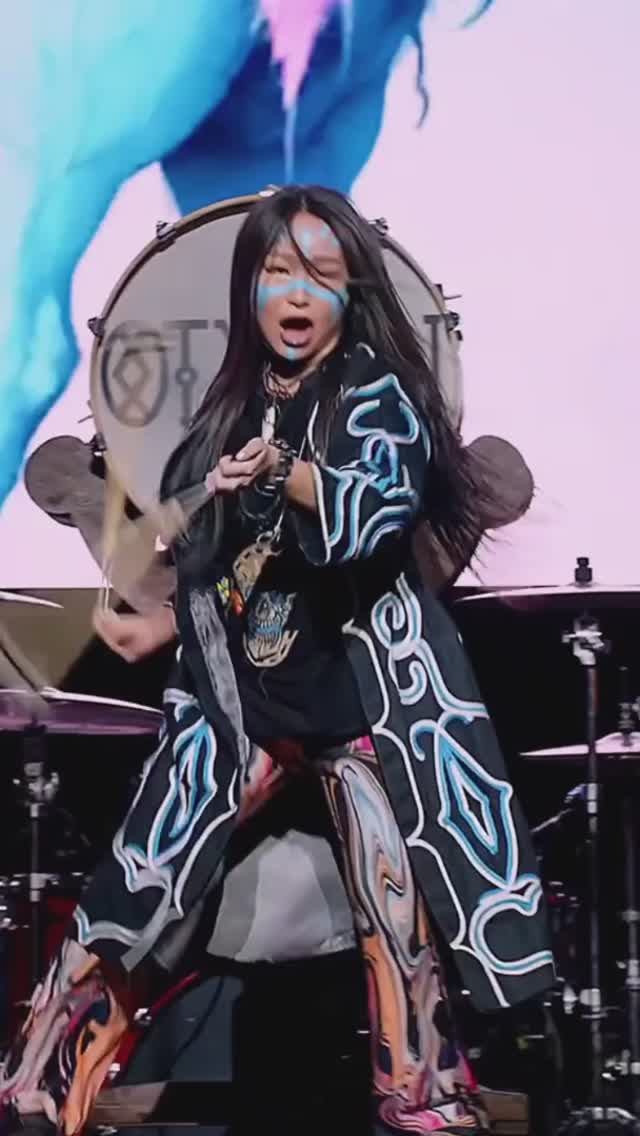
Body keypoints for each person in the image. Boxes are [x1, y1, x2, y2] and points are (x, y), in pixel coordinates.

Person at [0, 185, 552, 1136]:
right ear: (249, 285)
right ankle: (38, 1078)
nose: (298, 294)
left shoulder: (377, 392)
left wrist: (287, 472)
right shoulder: (236, 403)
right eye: (279, 272)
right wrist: (166, 614)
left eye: (322, 276)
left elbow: (371, 512)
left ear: (351, 292)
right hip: (246, 698)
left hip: (359, 699)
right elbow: (221, 557)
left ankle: (421, 1098)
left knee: (394, 909)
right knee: (142, 882)